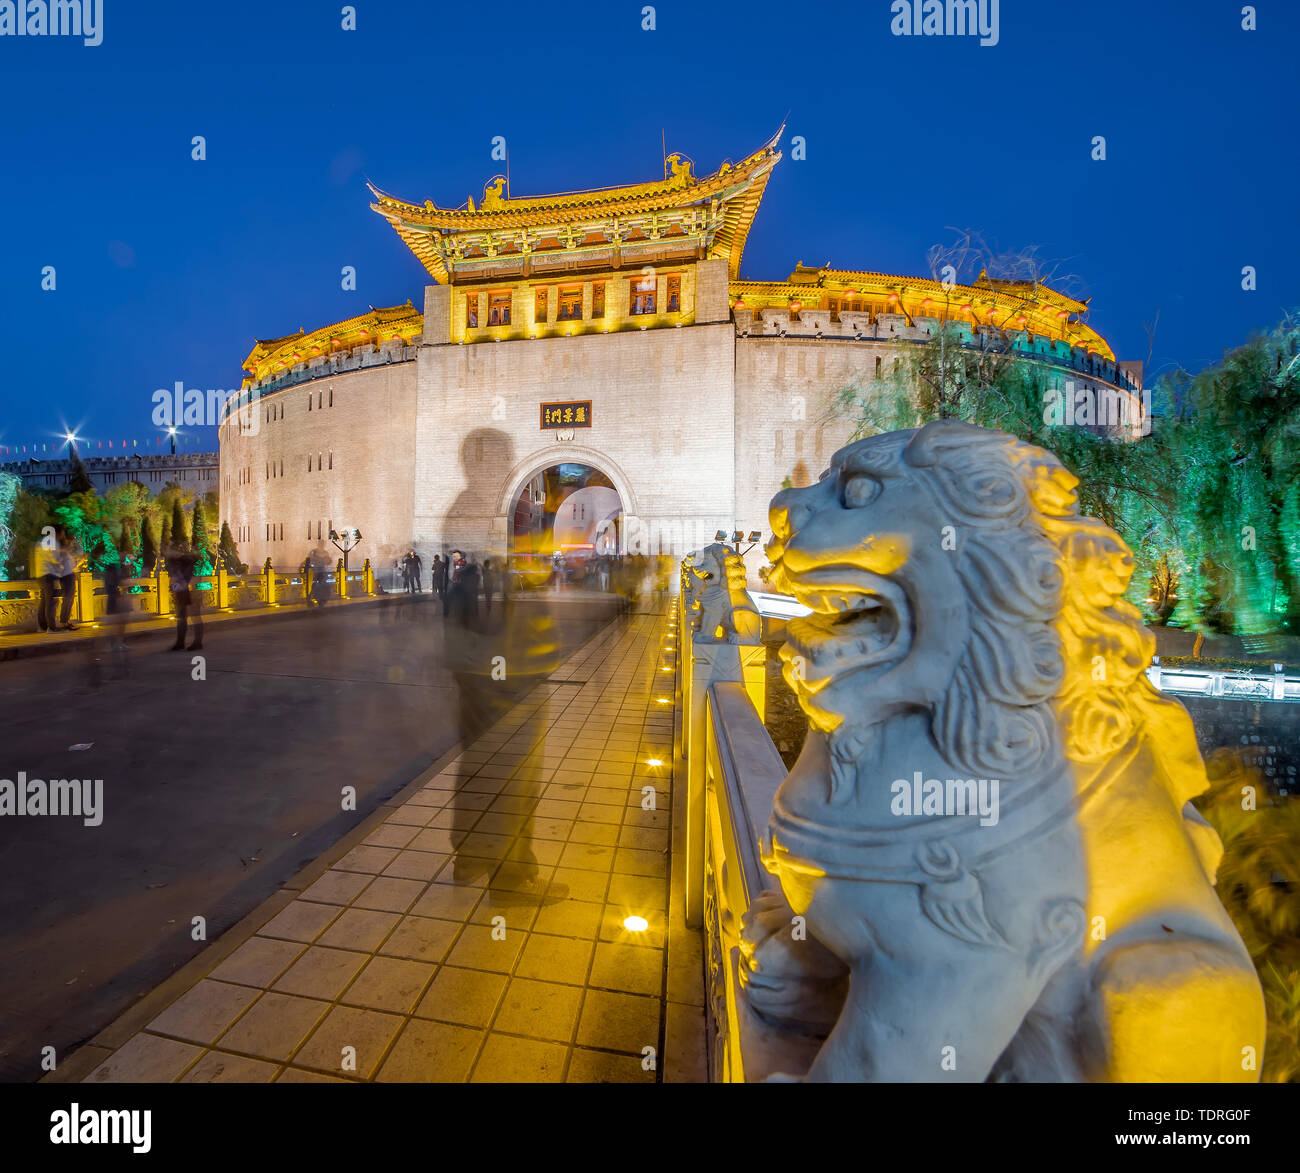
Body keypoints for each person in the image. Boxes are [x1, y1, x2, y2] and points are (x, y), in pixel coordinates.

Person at [165, 540, 203, 651]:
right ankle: (180, 642)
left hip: (191, 590)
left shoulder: (188, 560)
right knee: (181, 617)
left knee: (195, 616)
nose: (168, 552)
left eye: (171, 550)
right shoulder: (175, 561)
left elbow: (195, 574)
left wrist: (193, 587)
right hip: (181, 590)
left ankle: (198, 642)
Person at [32, 528, 61, 633]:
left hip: (40, 575)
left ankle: (42, 626)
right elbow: (53, 559)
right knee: (50, 602)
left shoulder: (39, 543)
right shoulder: (49, 542)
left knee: (44, 601)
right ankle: (51, 627)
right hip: (48, 575)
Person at [55, 529, 85, 631]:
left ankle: (66, 621)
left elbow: (72, 565)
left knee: (70, 599)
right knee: (67, 599)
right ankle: (63, 622)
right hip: (65, 577)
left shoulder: (67, 554)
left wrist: (81, 561)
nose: (72, 544)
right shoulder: (61, 552)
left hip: (70, 575)